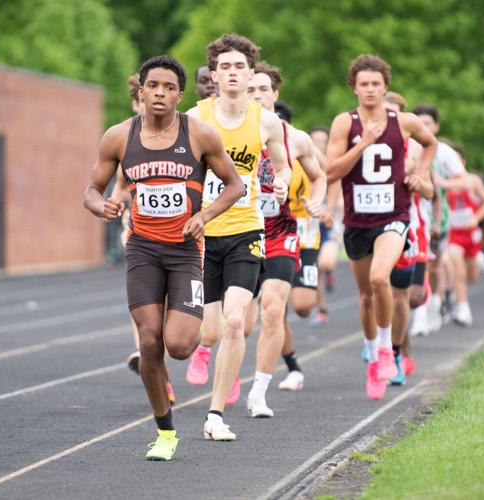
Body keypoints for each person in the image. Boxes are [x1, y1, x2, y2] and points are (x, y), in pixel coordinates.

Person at [83, 55, 243, 460]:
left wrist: (204, 215)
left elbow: (235, 185)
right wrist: (101, 206)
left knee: (179, 345)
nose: (159, 93)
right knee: (150, 341)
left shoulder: (200, 134)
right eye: (153, 85)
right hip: (143, 250)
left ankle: (189, 326)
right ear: (141, 90)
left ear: (179, 96)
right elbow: (91, 190)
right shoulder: (119, 137)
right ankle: (166, 432)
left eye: (169, 87)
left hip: (185, 251)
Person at [185, 34, 291, 441]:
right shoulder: (195, 118)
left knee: (234, 322)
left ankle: (214, 415)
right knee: (208, 331)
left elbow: (283, 166)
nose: (232, 73)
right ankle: (207, 357)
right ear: (214, 75)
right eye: (225, 67)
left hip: (246, 231)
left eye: (239, 67)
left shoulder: (266, 121)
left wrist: (281, 182)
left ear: (251, 75)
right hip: (202, 235)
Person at [327, 54, 437, 401]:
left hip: (394, 215)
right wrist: (363, 142)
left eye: (376, 84)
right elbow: (330, 172)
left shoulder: (403, 122)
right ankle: (374, 356)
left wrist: (420, 175)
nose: (370, 89)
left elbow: (431, 143)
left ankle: (389, 350)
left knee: (379, 279)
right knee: (365, 295)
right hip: (358, 220)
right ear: (354, 88)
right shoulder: (344, 123)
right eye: (364, 84)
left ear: (385, 86)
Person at [243, 65, 325, 405]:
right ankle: (226, 370)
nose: (256, 95)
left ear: (275, 94)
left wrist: (318, 202)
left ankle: (259, 391)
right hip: (240, 231)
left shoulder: (297, 138)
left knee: (277, 310)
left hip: (284, 231)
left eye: (263, 89)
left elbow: (321, 176)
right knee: (241, 324)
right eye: (250, 89)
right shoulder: (226, 131)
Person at [118, 74, 178, 403]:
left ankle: (161, 355)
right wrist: (119, 213)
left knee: (169, 314)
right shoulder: (126, 138)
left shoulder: (178, 134)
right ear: (135, 102)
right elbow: (119, 186)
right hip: (140, 236)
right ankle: (153, 365)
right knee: (144, 311)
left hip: (178, 238)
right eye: (143, 98)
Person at [381, 91, 433, 386]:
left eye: (394, 112)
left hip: (409, 227)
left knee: (408, 297)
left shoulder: (414, 148)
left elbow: (430, 191)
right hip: (371, 226)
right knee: (378, 291)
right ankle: (382, 345)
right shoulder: (363, 141)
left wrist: (416, 179)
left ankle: (397, 351)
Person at [411, 104, 470, 333]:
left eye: (427, 123)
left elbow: (464, 181)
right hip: (410, 216)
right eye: (419, 122)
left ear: (436, 126)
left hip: (437, 217)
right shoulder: (404, 146)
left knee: (433, 266)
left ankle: (435, 301)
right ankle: (419, 314)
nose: (423, 127)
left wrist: (441, 183)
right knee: (415, 264)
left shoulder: (443, 152)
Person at [446, 143, 484, 326]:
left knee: (472, 277)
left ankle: (478, 259)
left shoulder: (472, 181)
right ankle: (463, 309)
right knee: (458, 270)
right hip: (453, 235)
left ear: (463, 162)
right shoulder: (444, 181)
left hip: (471, 234)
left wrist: (475, 218)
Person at [309, 126, 344, 326]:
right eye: (315, 141)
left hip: (330, 222)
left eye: (323, 141)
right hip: (311, 223)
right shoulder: (301, 162)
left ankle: (329, 273)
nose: (319, 145)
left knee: (325, 263)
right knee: (316, 270)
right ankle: (322, 309)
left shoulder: (332, 164)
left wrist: (337, 207)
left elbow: (341, 197)